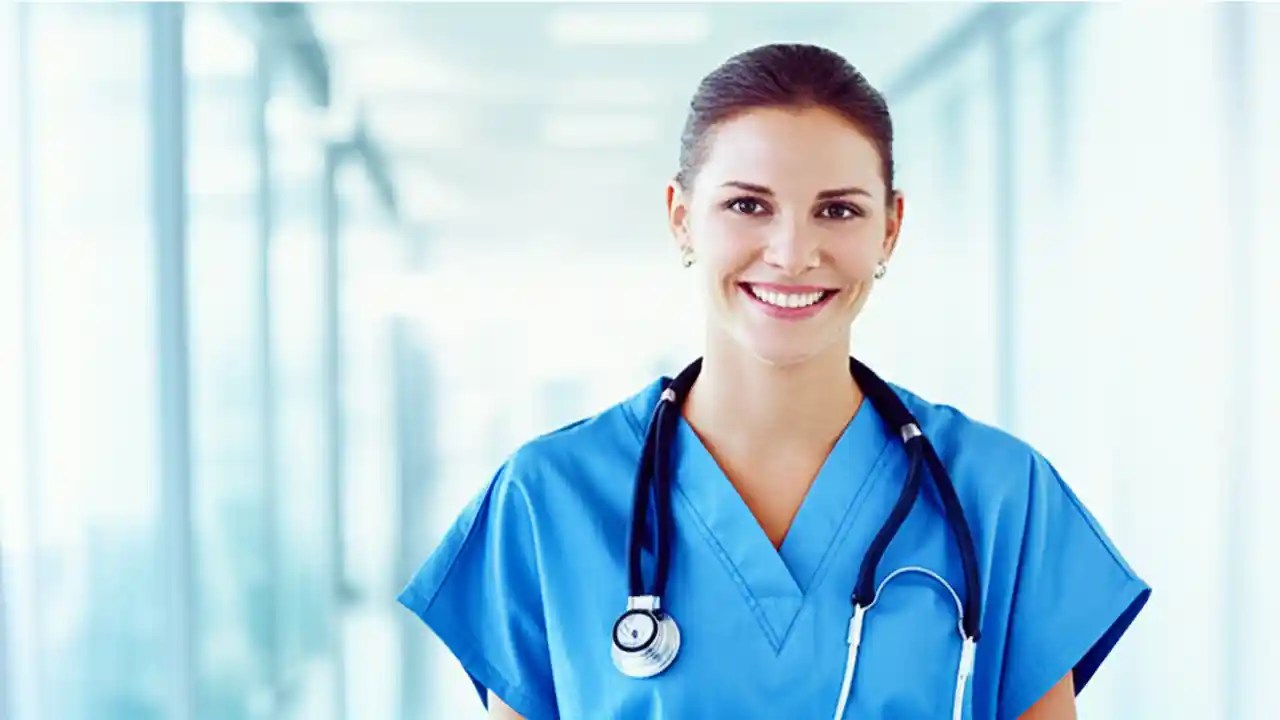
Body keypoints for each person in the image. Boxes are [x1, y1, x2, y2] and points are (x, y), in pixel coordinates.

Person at [398, 43, 1150, 720]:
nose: (793, 253)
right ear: (681, 217)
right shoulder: (551, 496)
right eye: (747, 205)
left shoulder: (999, 495)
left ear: (889, 229)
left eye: (838, 210)